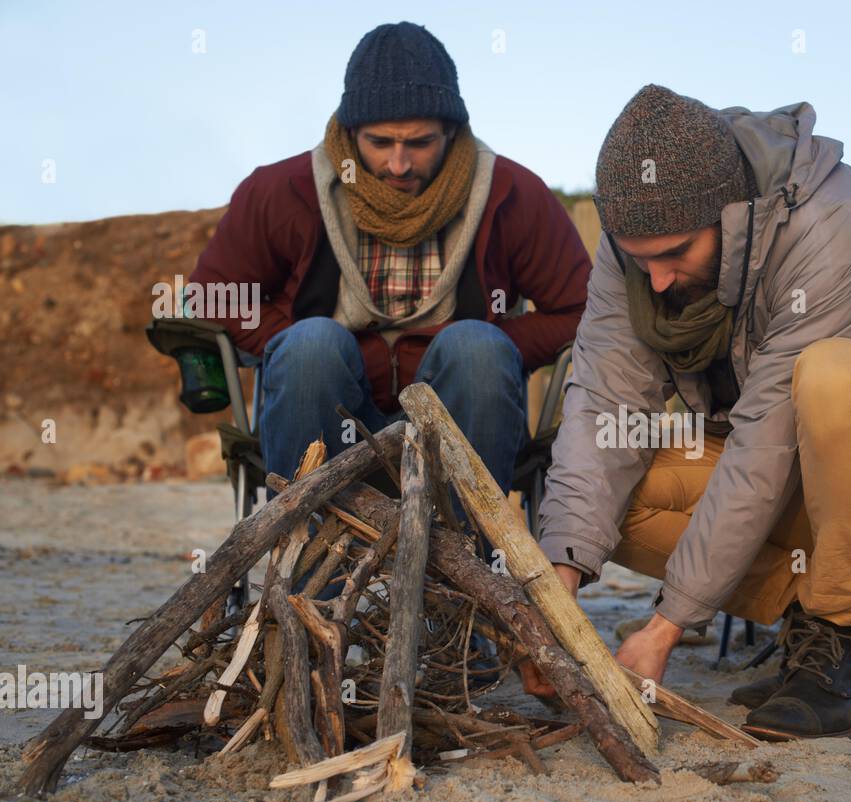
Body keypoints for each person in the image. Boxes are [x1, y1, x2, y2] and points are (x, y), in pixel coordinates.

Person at [529, 84, 851, 741]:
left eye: (677, 255)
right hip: (789, 472)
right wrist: (556, 590)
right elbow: (602, 407)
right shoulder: (638, 251)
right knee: (625, 494)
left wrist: (665, 627)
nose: (661, 281)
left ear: (731, 217)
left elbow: (767, 440)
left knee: (830, 375)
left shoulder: (841, 224)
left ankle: (842, 650)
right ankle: (827, 625)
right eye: (643, 261)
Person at [188, 21, 591, 497]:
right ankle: (307, 554)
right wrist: (293, 344)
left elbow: (584, 311)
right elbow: (212, 295)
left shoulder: (512, 192)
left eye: (420, 143)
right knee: (312, 346)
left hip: (457, 420)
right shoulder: (282, 189)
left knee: (477, 350)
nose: (398, 165)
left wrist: (496, 344)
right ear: (350, 130)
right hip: (328, 417)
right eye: (380, 143)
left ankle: (469, 562)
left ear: (451, 131)